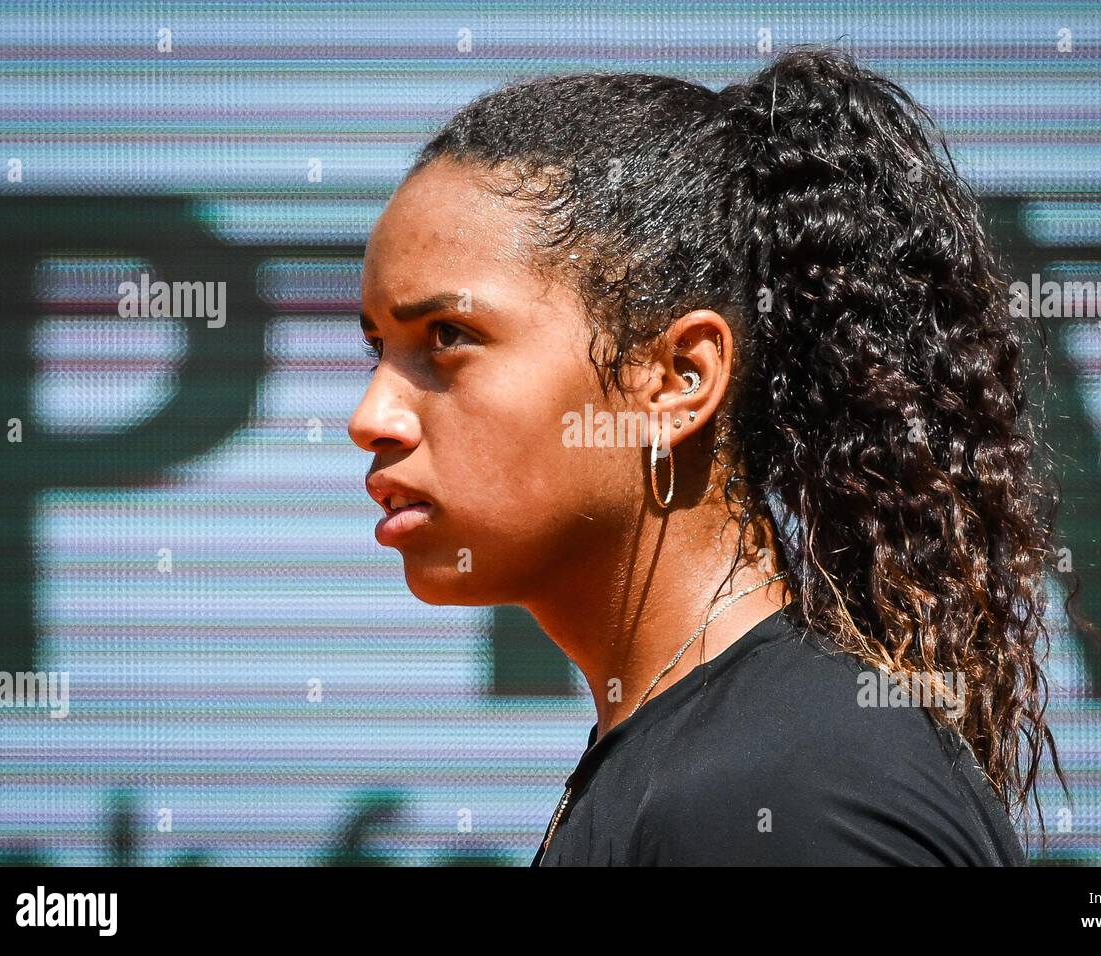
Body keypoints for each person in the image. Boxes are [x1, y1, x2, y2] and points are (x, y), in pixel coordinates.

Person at [349, 45, 1064, 865]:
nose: (372, 417)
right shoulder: (720, 759)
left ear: (680, 379)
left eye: (448, 338)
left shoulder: (783, 794)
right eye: (378, 348)